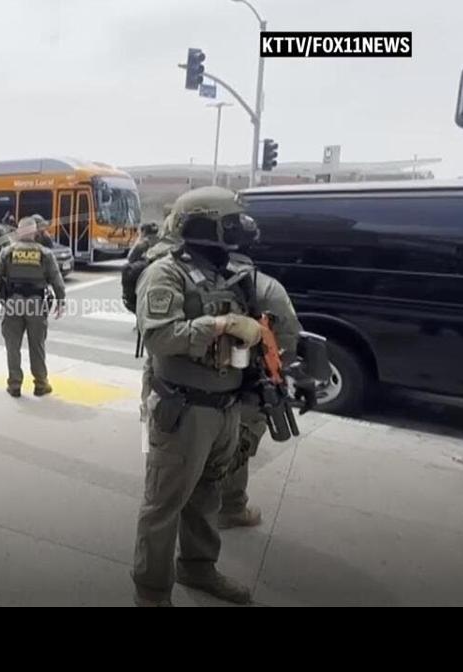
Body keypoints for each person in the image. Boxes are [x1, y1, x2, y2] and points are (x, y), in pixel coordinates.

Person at [131, 186, 265, 606]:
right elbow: (159, 335)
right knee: (164, 505)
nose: (241, 229)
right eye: (231, 222)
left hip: (225, 408)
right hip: (183, 410)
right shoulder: (165, 273)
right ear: (205, 225)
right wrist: (220, 325)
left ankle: (198, 567)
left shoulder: (229, 273)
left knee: (207, 497)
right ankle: (152, 592)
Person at [221, 220, 301, 529]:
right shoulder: (267, 287)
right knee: (238, 446)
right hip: (248, 385)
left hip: (195, 384)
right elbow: (289, 340)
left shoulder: (192, 277)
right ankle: (230, 508)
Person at [0, 215, 66, 397]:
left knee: (13, 346)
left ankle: (14, 384)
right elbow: (57, 281)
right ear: (35, 233)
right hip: (36, 304)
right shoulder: (45, 253)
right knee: (37, 345)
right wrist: (60, 301)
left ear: (18, 231)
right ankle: (41, 384)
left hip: (13, 303)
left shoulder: (7, 252)